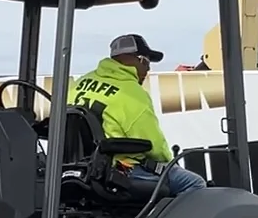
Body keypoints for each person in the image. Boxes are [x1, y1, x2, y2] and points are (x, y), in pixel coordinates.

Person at [65, 34, 206, 196]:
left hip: (81, 167)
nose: (148, 69)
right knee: (194, 183)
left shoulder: (82, 81)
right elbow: (155, 147)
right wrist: (170, 164)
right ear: (137, 60)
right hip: (119, 170)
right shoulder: (133, 94)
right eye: (146, 62)